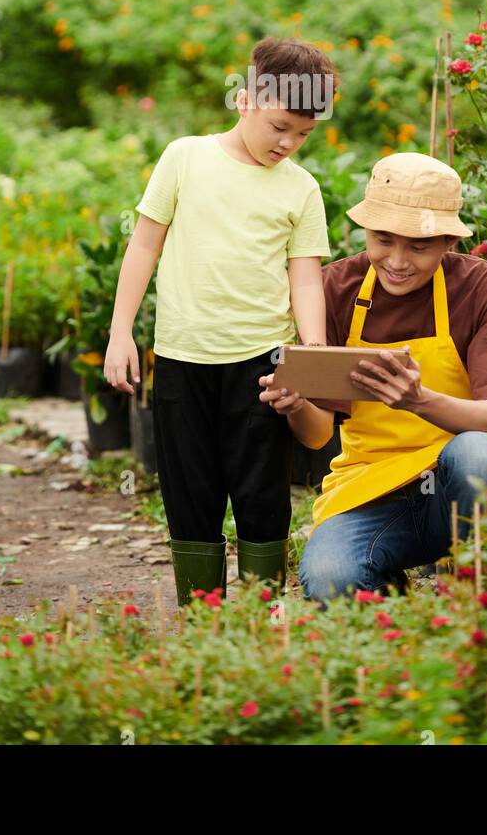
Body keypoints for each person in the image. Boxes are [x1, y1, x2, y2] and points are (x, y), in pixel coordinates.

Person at [102, 37, 337, 606]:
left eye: (304, 134)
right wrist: (119, 332)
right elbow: (143, 247)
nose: (289, 143)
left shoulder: (301, 189)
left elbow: (304, 277)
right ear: (244, 101)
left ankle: (256, 622)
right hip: (184, 359)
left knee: (262, 496)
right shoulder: (185, 157)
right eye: (280, 126)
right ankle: (202, 622)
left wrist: (313, 351)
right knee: (191, 495)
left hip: (264, 366)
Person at [260, 152, 487, 602]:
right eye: (382, 240)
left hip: (452, 486)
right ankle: (387, 594)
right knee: (329, 578)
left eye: (418, 247)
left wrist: (418, 400)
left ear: (448, 242)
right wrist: (297, 405)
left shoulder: (486, 289)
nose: (397, 261)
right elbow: (315, 436)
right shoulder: (335, 289)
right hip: (370, 487)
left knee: (477, 453)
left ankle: (473, 591)